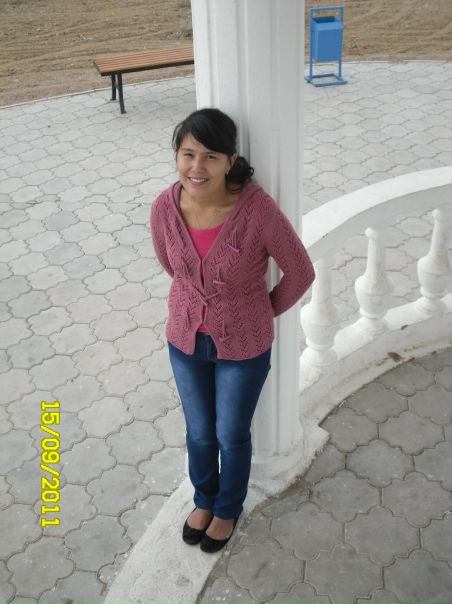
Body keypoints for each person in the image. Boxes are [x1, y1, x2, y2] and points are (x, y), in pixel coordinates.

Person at [150, 108, 315, 553]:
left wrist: (258, 313)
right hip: (185, 339)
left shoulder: (257, 210)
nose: (197, 167)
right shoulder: (164, 207)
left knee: (231, 433)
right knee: (199, 431)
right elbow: (171, 265)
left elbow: (300, 271)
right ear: (177, 156)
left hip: (244, 349)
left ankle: (227, 508)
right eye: (188, 154)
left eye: (211, 156)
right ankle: (204, 499)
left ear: (230, 161)